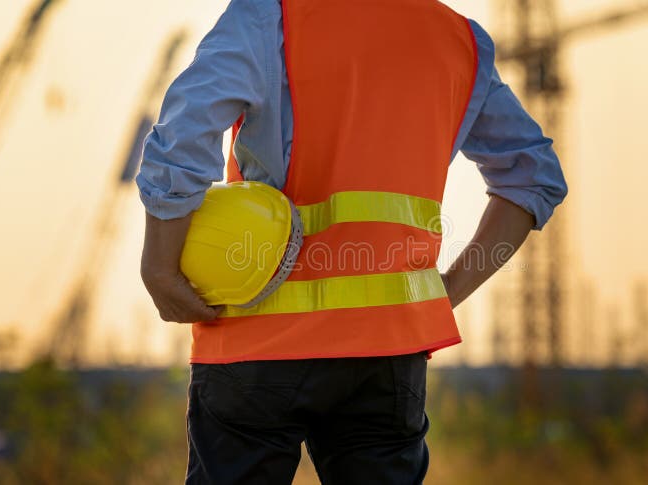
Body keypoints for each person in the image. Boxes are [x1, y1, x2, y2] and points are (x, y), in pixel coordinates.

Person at [136, 0, 568, 483]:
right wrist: (446, 294)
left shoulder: (269, 15)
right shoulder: (457, 39)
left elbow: (186, 127)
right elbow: (535, 175)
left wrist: (159, 263)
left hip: (256, 339)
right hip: (387, 354)